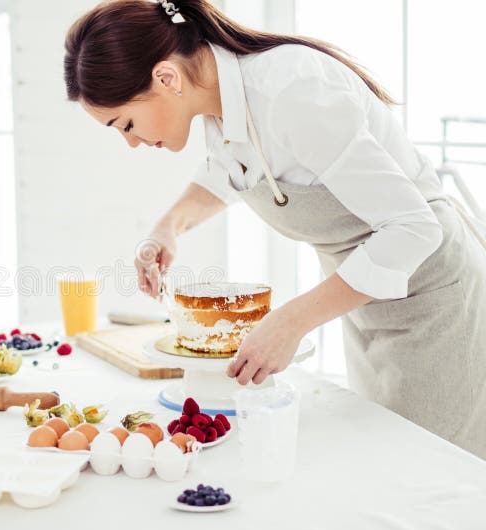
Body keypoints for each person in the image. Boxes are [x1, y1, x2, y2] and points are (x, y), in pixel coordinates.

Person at [64, 0, 486, 458]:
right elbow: (228, 174)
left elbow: (412, 228)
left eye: (126, 123)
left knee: (435, 468)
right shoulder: (219, 105)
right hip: (367, 303)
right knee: (387, 457)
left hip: (434, 298)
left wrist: (291, 322)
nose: (131, 142)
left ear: (166, 78)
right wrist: (168, 227)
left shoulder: (293, 90)